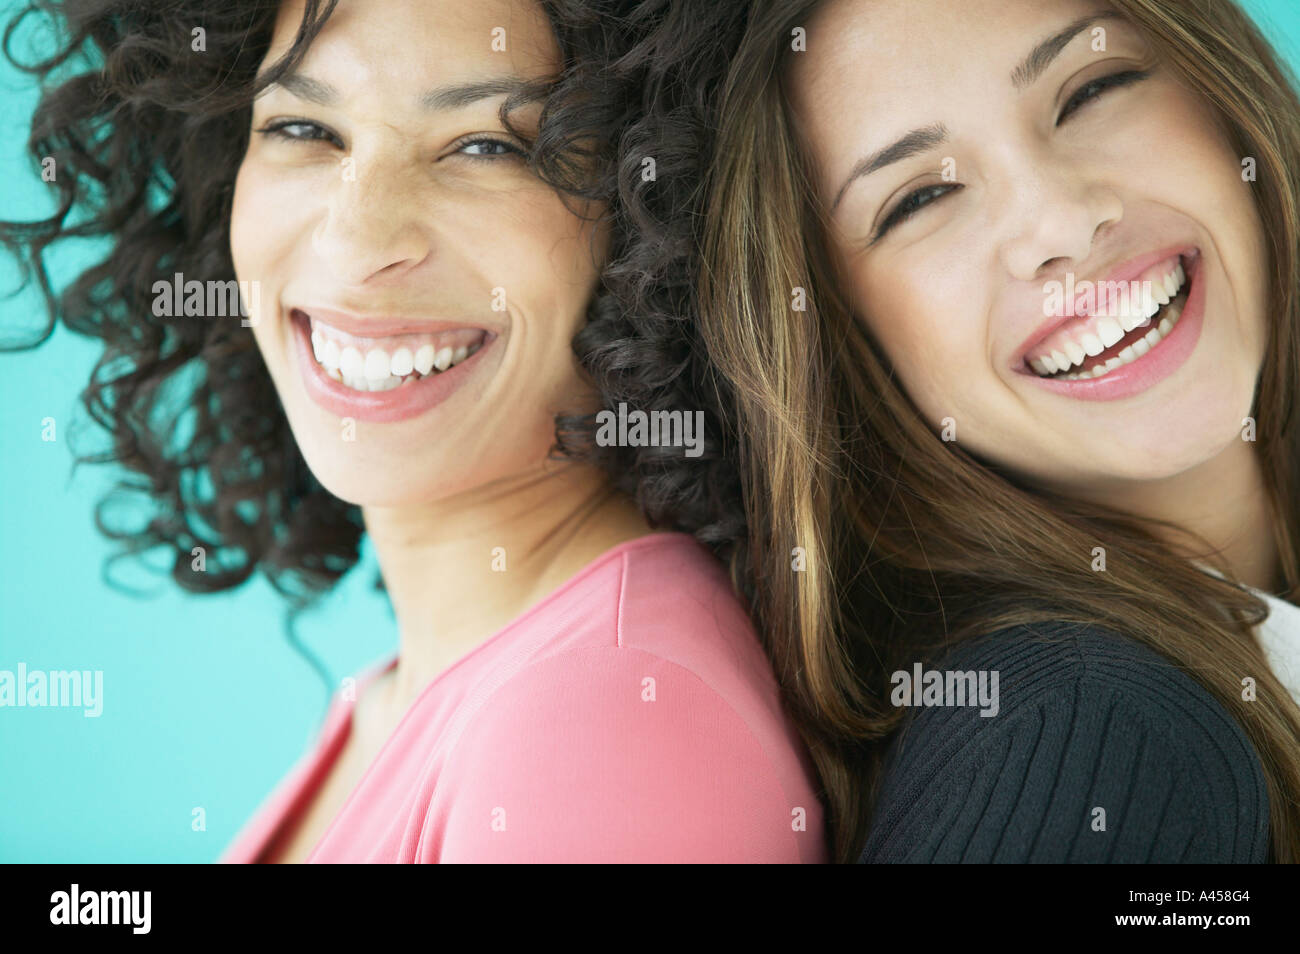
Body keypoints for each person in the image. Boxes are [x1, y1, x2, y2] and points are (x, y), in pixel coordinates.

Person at [0, 0, 826, 863]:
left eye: (486, 145)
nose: (357, 239)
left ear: (650, 222)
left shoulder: (612, 718)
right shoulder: (414, 693)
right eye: (304, 128)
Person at [694, 0, 1300, 861]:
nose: (1061, 223)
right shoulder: (1082, 739)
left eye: (1092, 88)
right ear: (841, 339)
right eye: (922, 197)